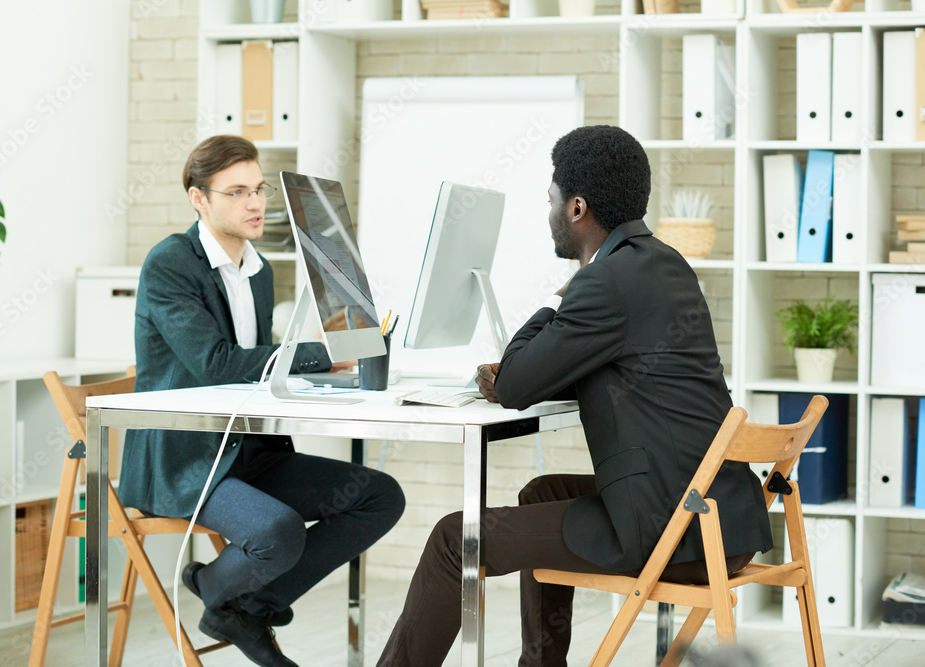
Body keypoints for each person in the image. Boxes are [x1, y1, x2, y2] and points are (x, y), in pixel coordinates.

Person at [376, 125, 773, 667]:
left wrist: (554, 298)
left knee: (455, 540)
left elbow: (515, 385)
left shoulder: (603, 280)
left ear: (577, 207)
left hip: (673, 533)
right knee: (542, 490)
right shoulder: (665, 263)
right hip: (722, 516)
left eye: (551, 200)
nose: (549, 212)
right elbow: (615, 364)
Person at [117, 135, 405, 667]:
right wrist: (319, 356)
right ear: (198, 199)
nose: (255, 204)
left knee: (379, 496)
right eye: (236, 192)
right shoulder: (170, 264)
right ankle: (213, 587)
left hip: (248, 449)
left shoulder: (259, 270)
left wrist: (323, 378)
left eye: (259, 189)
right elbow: (217, 363)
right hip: (188, 457)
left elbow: (255, 372)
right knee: (277, 530)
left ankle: (245, 604)